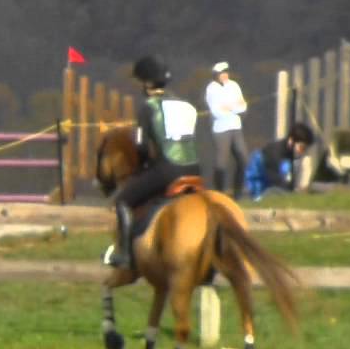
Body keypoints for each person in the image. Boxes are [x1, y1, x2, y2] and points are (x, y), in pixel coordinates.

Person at [106, 56, 201, 269]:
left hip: (167, 169)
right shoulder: (186, 105)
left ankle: (125, 255)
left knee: (122, 202)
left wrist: (142, 168)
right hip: (194, 168)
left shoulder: (148, 107)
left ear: (147, 83)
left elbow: (140, 146)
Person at [205, 60, 249, 198]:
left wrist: (229, 107)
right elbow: (217, 111)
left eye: (226, 73)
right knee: (222, 162)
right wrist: (233, 106)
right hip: (221, 129)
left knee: (243, 159)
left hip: (236, 126)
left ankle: (238, 193)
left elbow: (243, 106)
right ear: (216, 75)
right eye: (221, 73)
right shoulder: (211, 89)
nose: (224, 75)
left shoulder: (234, 86)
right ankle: (220, 193)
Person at [244, 123, 314, 201]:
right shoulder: (274, 152)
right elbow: (275, 180)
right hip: (260, 184)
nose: (303, 152)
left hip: (275, 184)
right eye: (301, 147)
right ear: (291, 141)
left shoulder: (290, 155)